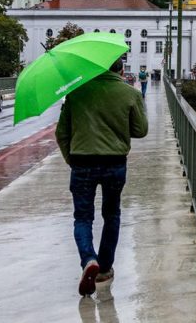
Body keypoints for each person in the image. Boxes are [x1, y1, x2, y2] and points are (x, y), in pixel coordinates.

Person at [55, 58, 148, 297]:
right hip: (115, 163)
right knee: (112, 214)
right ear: (120, 68)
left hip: (82, 162)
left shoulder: (76, 93)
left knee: (83, 218)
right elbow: (140, 130)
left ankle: (88, 259)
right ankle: (104, 268)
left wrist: (71, 159)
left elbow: (61, 133)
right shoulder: (129, 93)